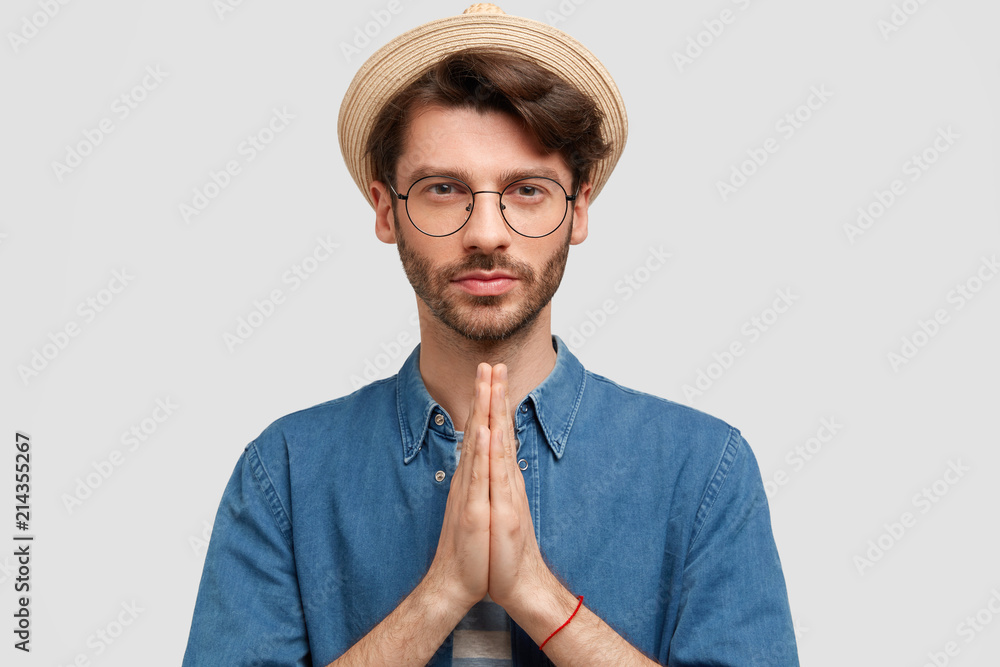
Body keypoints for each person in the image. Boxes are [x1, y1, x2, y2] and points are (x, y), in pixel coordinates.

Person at [182, 4, 799, 665]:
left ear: (579, 208)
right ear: (387, 210)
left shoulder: (705, 470)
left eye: (527, 190)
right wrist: (441, 593)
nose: (486, 232)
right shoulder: (285, 474)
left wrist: (534, 593)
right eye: (444, 188)